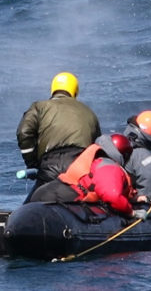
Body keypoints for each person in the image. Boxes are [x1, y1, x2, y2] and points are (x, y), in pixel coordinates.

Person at [16, 71, 100, 201]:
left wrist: (31, 164)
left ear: (53, 89)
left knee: (30, 208)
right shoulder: (89, 112)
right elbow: (96, 148)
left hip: (51, 166)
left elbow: (24, 132)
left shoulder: (39, 107)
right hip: (80, 167)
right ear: (75, 91)